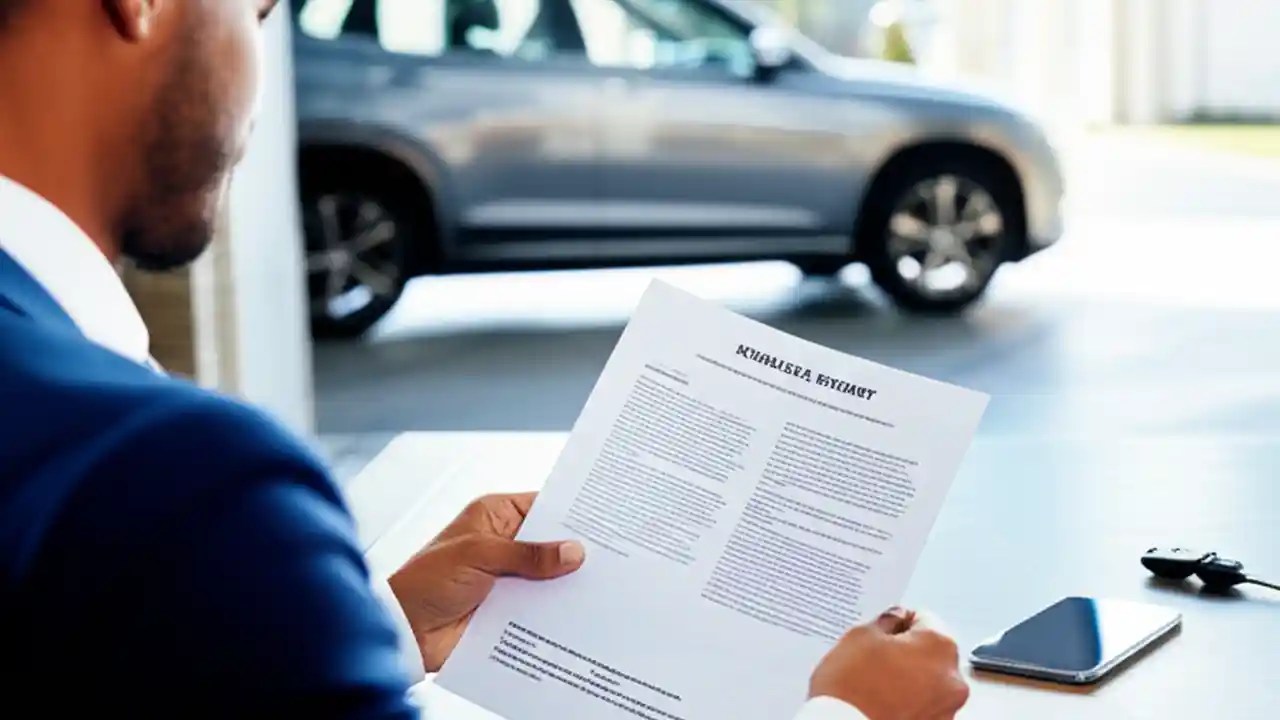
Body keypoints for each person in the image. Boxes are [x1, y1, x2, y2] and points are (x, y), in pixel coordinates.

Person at [0, 1, 969, 718]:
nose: (261, 69)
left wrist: (367, 626)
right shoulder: (175, 482)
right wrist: (849, 714)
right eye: (259, 10)